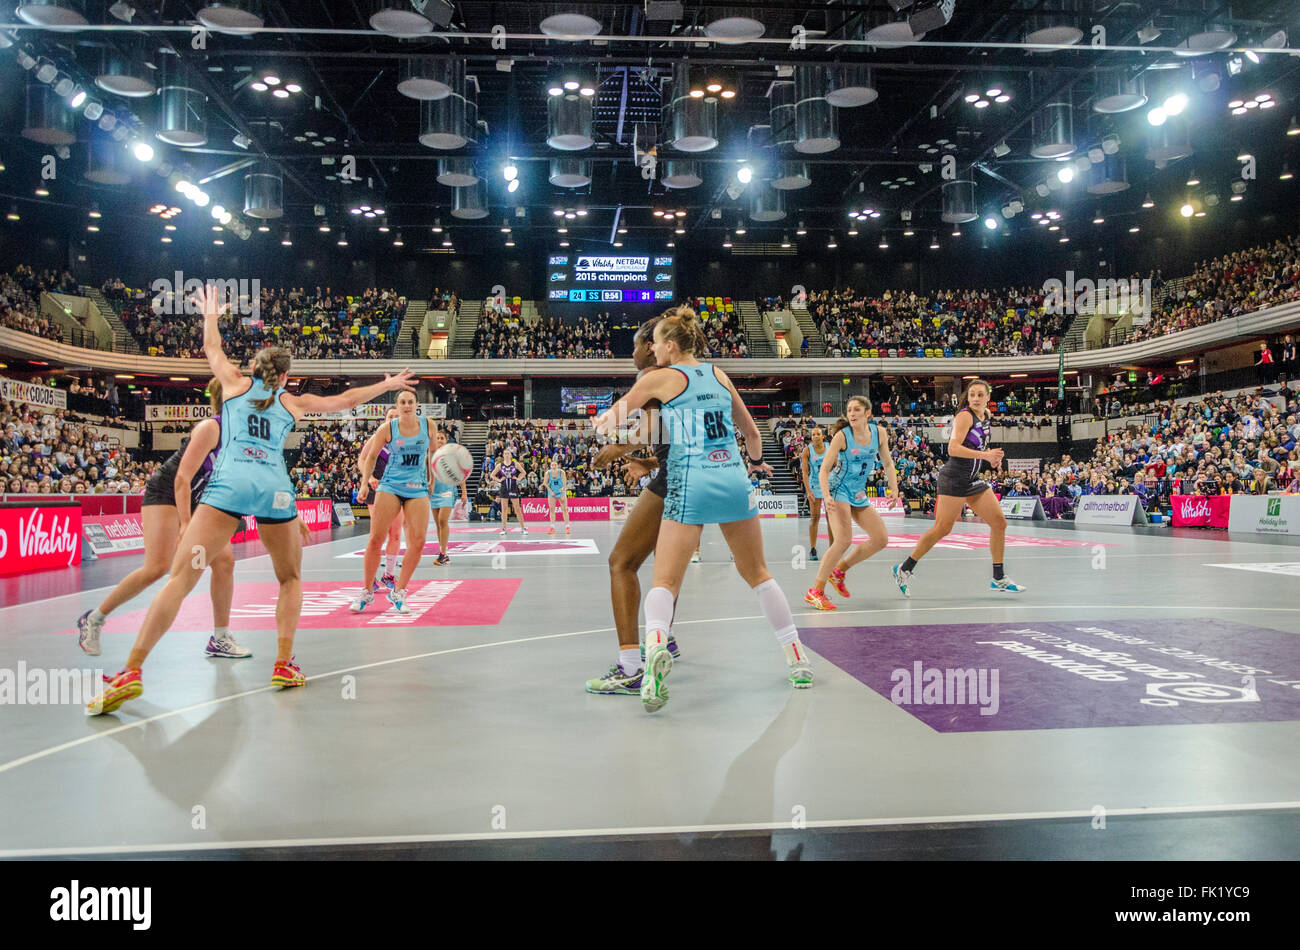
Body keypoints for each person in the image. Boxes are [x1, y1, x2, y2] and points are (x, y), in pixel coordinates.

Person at [88, 285, 415, 715]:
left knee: (180, 580)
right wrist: (387, 384)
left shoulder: (233, 385)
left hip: (229, 487)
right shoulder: (294, 402)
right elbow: (346, 401)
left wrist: (210, 313)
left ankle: (130, 671)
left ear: (257, 369)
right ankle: (283, 664)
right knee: (289, 579)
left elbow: (212, 347)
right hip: (274, 490)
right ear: (284, 376)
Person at [594, 307, 813, 714]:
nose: (652, 349)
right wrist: (753, 461)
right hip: (732, 478)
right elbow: (750, 432)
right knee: (760, 575)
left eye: (656, 342)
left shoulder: (658, 377)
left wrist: (601, 427)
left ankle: (654, 650)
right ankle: (796, 656)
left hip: (689, 482)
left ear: (670, 346)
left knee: (665, 581)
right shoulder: (718, 374)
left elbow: (613, 420)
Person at [76, 381, 251, 660]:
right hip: (168, 491)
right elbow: (182, 479)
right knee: (157, 567)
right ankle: (94, 619)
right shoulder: (212, 428)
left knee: (225, 561)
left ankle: (219, 637)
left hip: (199, 499)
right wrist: (185, 525)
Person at [586, 313, 680, 696]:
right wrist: (647, 459)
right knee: (666, 565)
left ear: (651, 346)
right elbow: (670, 435)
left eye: (637, 346)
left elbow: (643, 429)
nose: (634, 354)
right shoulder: (691, 377)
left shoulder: (652, 377)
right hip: (697, 473)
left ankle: (630, 668)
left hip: (675, 477)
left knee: (621, 562)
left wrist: (617, 445)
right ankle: (666, 636)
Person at [892, 379, 1026, 596]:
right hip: (954, 477)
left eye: (980, 395)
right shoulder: (964, 416)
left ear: (988, 398)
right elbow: (953, 448)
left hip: (972, 478)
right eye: (972, 394)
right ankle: (904, 567)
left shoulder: (987, 417)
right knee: (942, 528)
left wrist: (992, 459)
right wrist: (985, 455)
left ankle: (998, 577)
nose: (975, 398)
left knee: (999, 523)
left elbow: (978, 445)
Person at [804, 398, 900, 610]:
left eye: (857, 409)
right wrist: (827, 496)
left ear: (868, 412)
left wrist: (894, 488)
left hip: (858, 493)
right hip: (839, 490)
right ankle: (815, 591)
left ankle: (839, 572)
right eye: (849, 410)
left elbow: (887, 462)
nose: (852, 413)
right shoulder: (842, 436)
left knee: (881, 538)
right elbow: (824, 470)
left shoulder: (879, 433)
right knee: (843, 540)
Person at [351, 390, 433, 613]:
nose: (406, 405)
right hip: (390, 486)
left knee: (418, 541)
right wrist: (364, 483)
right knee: (376, 538)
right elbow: (370, 456)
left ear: (417, 404)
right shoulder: (387, 428)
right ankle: (367, 592)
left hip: (417, 488)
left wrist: (433, 480)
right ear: (397, 405)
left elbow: (434, 456)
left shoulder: (428, 426)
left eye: (410, 401)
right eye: (402, 402)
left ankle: (399, 592)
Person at [357, 407, 405, 590]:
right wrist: (368, 479)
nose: (392, 419)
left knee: (395, 534)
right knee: (377, 535)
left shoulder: (406, 439)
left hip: (398, 489)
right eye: (389, 416)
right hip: (376, 489)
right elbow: (362, 460)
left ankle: (389, 575)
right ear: (385, 419)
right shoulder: (378, 437)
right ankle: (371, 580)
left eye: (396, 416)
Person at [429, 426, 468, 566]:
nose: (439, 440)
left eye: (442, 438)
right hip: (434, 492)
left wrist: (464, 492)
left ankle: (443, 553)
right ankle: (442, 552)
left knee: (442, 521)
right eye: (437, 438)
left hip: (447, 491)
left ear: (446, 440)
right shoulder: (431, 454)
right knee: (438, 525)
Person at [800, 425, 835, 561]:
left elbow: (837, 464)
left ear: (822, 436)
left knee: (830, 518)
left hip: (828, 486)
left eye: (818, 434)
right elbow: (804, 472)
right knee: (815, 518)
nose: (815, 436)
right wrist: (808, 490)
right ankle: (813, 549)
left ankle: (832, 548)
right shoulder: (807, 451)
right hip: (814, 486)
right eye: (813, 435)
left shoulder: (829, 447)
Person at [490, 448, 528, 535]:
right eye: (505, 453)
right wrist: (499, 480)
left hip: (513, 487)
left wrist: (518, 478)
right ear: (503, 455)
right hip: (504, 488)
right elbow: (492, 475)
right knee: (504, 509)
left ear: (510, 455)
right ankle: (504, 529)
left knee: (517, 508)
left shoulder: (515, 464)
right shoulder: (500, 465)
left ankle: (523, 528)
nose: (507, 455)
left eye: (508, 453)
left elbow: (523, 472)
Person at [544, 457, 571, 535]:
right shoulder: (547, 473)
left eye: (555, 465)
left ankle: (567, 527)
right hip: (552, 493)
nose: (554, 466)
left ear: (557, 466)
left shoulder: (561, 472)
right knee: (552, 510)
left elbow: (565, 483)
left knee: (565, 509)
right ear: (550, 466)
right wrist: (551, 491)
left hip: (560, 492)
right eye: (552, 465)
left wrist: (563, 492)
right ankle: (552, 528)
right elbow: (545, 483)